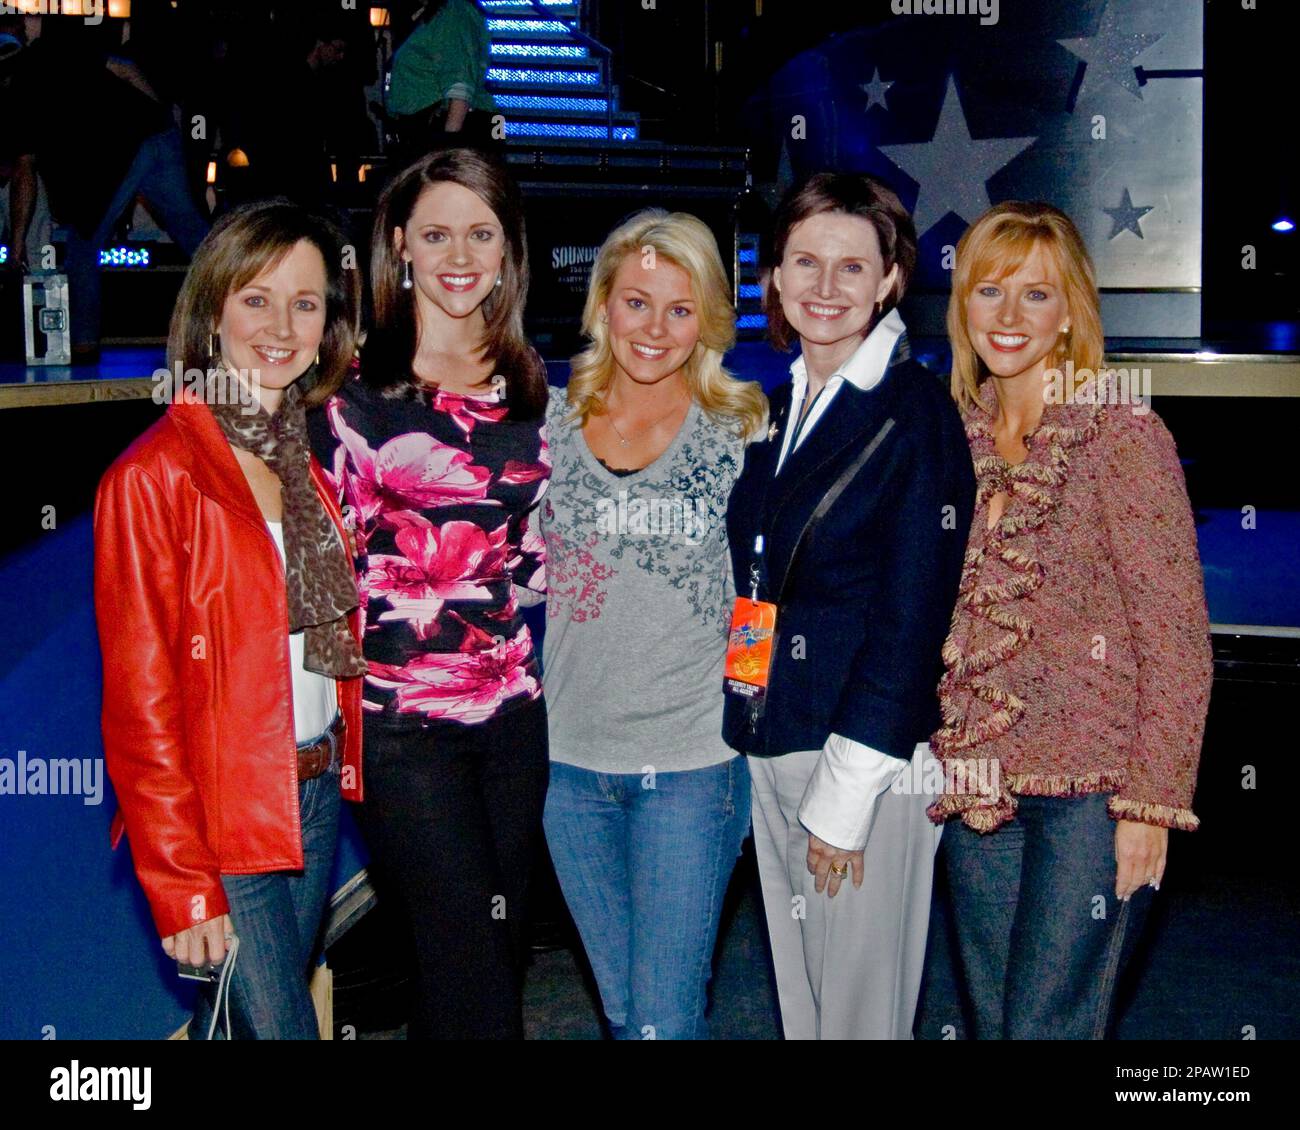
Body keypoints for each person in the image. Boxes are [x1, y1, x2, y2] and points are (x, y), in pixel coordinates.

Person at [928, 201, 1213, 1039]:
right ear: (962, 306)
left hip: (1094, 793)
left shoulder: (1120, 433)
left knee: (1045, 1026)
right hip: (978, 783)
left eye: (1036, 294)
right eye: (990, 291)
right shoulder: (953, 436)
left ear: (1069, 313)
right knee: (994, 1023)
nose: (1009, 315)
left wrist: (1151, 804)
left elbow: (1176, 639)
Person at [94, 199, 368, 1039]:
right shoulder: (153, 477)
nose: (281, 327)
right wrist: (182, 879)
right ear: (213, 311)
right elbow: (140, 706)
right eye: (256, 299)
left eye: (305, 303)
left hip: (314, 793)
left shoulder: (305, 460)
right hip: (225, 813)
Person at [722, 171, 975, 1040]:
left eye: (852, 267)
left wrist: (846, 793)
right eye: (805, 262)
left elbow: (914, 618)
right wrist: (746, 711)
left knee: (859, 1021)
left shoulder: (915, 413)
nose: (825, 287)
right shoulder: (782, 402)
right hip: (774, 736)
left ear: (890, 279)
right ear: (775, 277)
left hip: (859, 763)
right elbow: (763, 578)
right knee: (808, 1013)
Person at [307, 148, 550, 1040]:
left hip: (514, 717)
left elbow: (526, 556)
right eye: (437, 233)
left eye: (481, 233)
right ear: (400, 243)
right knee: (469, 964)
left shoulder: (526, 379)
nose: (460, 255)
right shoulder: (349, 391)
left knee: (493, 958)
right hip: (402, 730)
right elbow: (316, 571)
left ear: (507, 247)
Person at [540, 210, 767, 1039]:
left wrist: (746, 718)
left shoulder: (743, 431)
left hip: (692, 766)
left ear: (708, 320)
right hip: (567, 766)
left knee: (664, 1019)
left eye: (680, 309)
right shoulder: (549, 423)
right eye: (637, 302)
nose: (655, 329)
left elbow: (761, 599)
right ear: (603, 303)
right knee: (626, 1012)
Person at [6, 19, 209, 363]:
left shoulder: (22, 87)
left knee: (83, 248)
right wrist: (161, 116)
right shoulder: (57, 51)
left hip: (117, 152)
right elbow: (124, 69)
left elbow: (24, 174)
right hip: (152, 134)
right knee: (192, 232)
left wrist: (16, 245)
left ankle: (84, 346)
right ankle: (249, 286)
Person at [386, 0, 498, 158]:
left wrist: (447, 145)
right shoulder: (433, 15)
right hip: (425, 129)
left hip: (439, 128)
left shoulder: (454, 11)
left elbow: (460, 82)